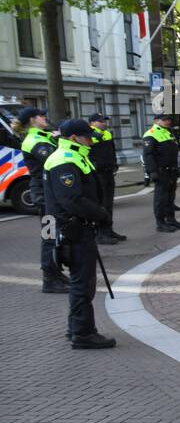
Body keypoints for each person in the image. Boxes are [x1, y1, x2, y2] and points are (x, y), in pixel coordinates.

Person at [43, 119, 114, 349]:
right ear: (74, 138)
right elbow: (71, 199)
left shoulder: (73, 155)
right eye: (87, 136)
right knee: (83, 283)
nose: (91, 140)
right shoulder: (64, 160)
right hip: (74, 230)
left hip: (77, 227)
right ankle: (83, 333)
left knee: (81, 282)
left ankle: (76, 327)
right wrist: (100, 214)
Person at [18, 106, 68, 293]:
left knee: (55, 234)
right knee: (49, 236)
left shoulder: (43, 137)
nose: (45, 117)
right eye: (41, 115)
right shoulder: (34, 140)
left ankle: (56, 272)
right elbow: (52, 159)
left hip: (48, 191)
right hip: (44, 194)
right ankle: (49, 278)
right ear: (32, 120)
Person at [142, 112, 180, 232]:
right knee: (160, 199)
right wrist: (151, 172)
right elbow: (148, 155)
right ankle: (160, 223)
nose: (168, 121)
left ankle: (171, 219)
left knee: (170, 197)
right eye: (164, 119)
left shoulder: (168, 132)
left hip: (171, 170)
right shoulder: (151, 134)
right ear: (156, 120)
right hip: (161, 172)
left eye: (168, 119)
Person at [86, 113, 125, 245]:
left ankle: (109, 229)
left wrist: (114, 164)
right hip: (98, 174)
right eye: (100, 121)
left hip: (108, 172)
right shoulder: (89, 135)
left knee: (108, 203)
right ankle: (100, 233)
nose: (104, 123)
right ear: (92, 122)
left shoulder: (107, 134)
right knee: (101, 204)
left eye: (104, 121)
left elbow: (111, 151)